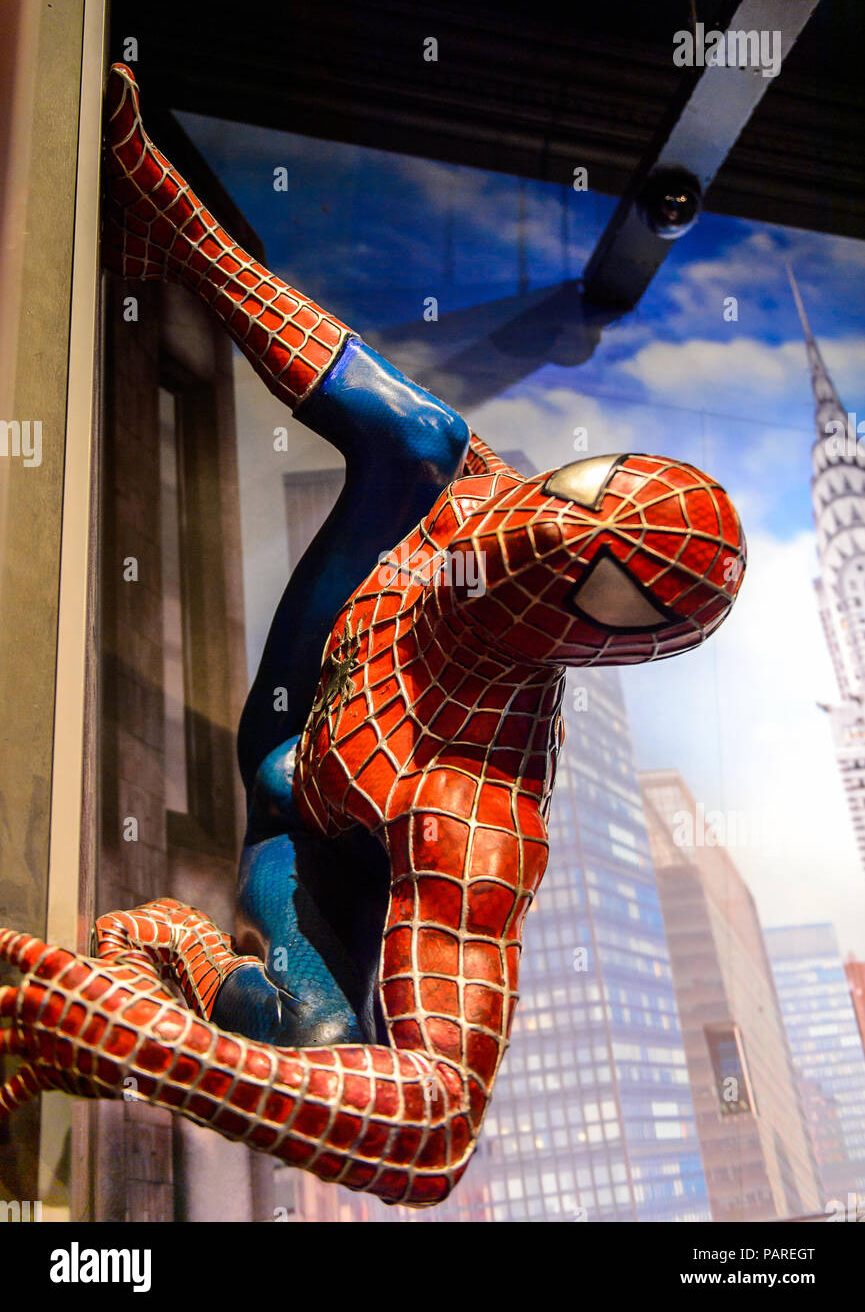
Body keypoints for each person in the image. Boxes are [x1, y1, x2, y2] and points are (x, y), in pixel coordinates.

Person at [0, 65, 746, 1208]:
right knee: (417, 433)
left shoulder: (478, 808)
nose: (550, 539)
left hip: (296, 843)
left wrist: (133, 1042)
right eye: (588, 492)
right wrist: (147, 175)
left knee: (311, 1032)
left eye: (600, 583)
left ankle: (180, 965)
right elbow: (321, 353)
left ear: (600, 642)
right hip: (303, 749)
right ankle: (148, 199)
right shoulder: (455, 475)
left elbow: (433, 1137)